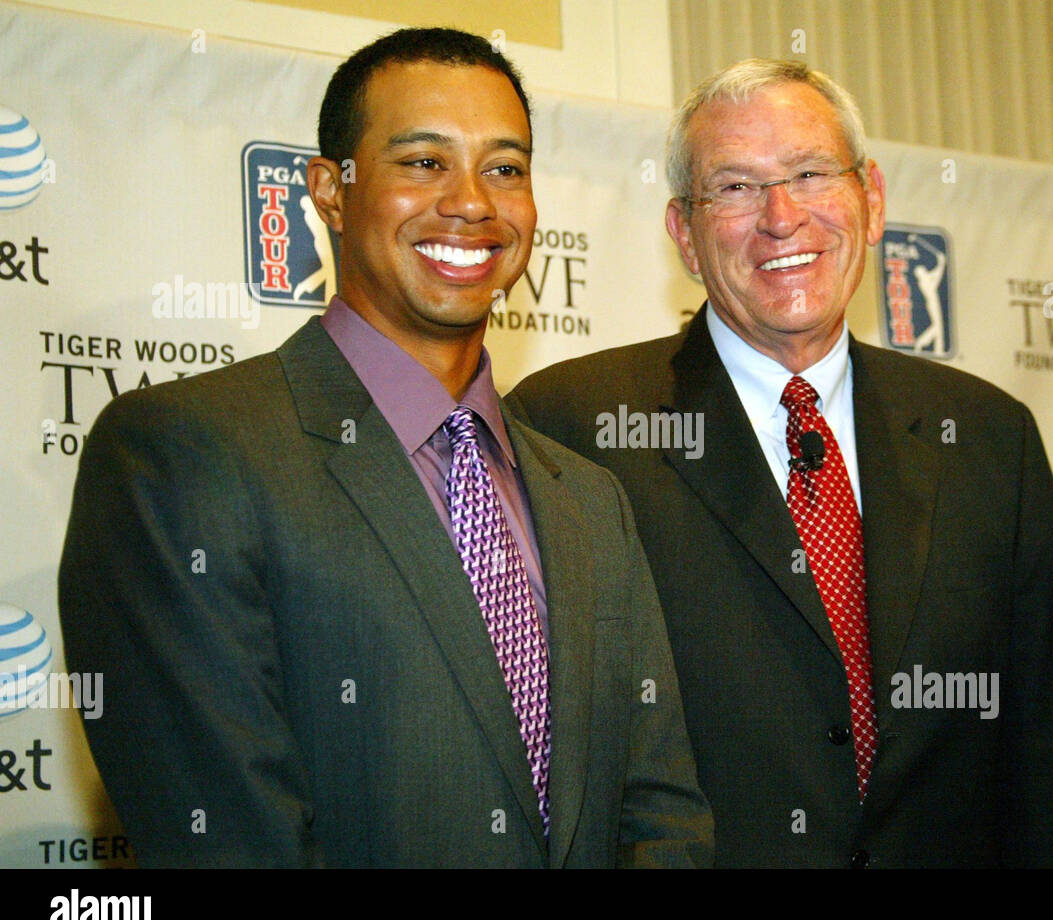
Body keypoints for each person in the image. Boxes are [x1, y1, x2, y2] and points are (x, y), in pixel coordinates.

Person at [59, 27, 712, 868]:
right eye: (423, 162)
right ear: (331, 191)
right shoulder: (184, 454)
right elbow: (231, 843)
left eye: (505, 167)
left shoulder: (589, 497)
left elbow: (662, 815)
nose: (473, 201)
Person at [508, 59, 1053, 867]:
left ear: (871, 201)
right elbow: (543, 755)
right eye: (734, 187)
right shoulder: (571, 425)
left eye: (809, 173)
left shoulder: (986, 436)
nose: (782, 216)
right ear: (684, 235)